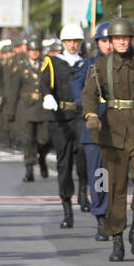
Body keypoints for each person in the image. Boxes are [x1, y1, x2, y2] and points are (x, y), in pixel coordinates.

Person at [80, 18, 134, 260]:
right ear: (110, 41)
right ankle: (117, 238)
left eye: (125, 37)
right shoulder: (100, 66)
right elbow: (89, 94)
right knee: (115, 187)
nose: (120, 41)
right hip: (112, 131)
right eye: (116, 38)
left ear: (130, 39)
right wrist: (90, 115)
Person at [36, 25, 82, 229]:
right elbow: (44, 82)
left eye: (76, 41)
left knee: (85, 153)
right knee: (64, 162)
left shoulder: (85, 63)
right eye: (69, 41)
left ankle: (85, 189)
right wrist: (46, 95)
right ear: (63, 43)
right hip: (60, 117)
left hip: (81, 116)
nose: (72, 45)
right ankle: (66, 206)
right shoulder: (53, 62)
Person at [74, 23, 112, 241]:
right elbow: (78, 90)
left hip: (119, 127)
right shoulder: (88, 65)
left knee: (115, 176)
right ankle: (101, 216)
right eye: (104, 41)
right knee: (99, 175)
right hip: (95, 129)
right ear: (98, 42)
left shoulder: (127, 64)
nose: (108, 45)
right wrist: (90, 106)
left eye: (111, 40)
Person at [10, 36, 54, 182]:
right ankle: (29, 169)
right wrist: (11, 111)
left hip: (42, 108)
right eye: (32, 50)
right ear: (28, 51)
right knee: (28, 140)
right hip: (26, 108)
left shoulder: (46, 65)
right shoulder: (21, 67)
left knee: (45, 139)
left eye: (37, 50)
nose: (35, 53)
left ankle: (42, 158)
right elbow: (14, 90)